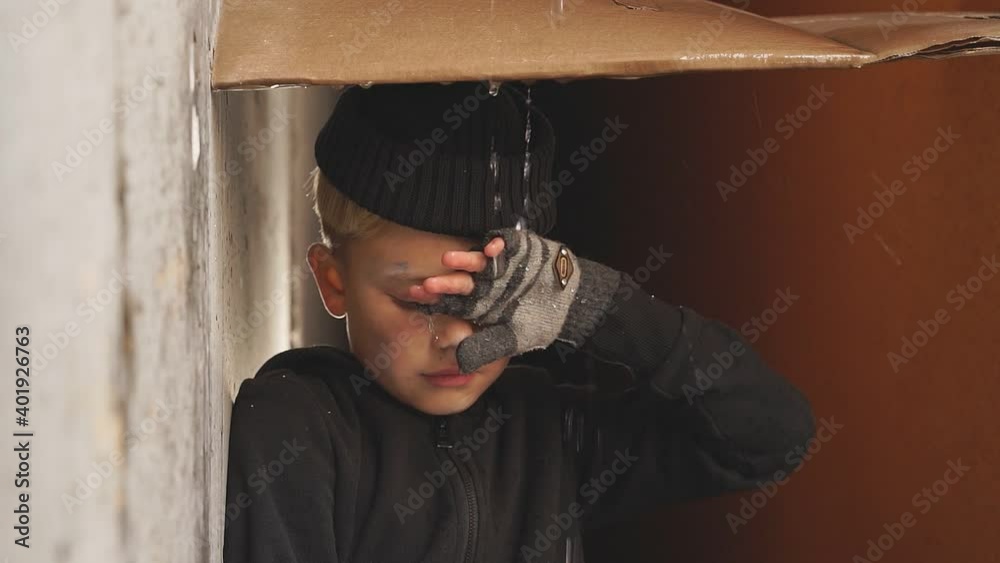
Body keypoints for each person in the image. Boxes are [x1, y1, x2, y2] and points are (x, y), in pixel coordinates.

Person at [221, 81, 816, 563]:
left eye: (493, 302)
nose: (459, 341)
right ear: (333, 280)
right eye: (421, 303)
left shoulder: (551, 435)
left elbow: (769, 437)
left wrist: (597, 307)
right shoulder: (295, 429)